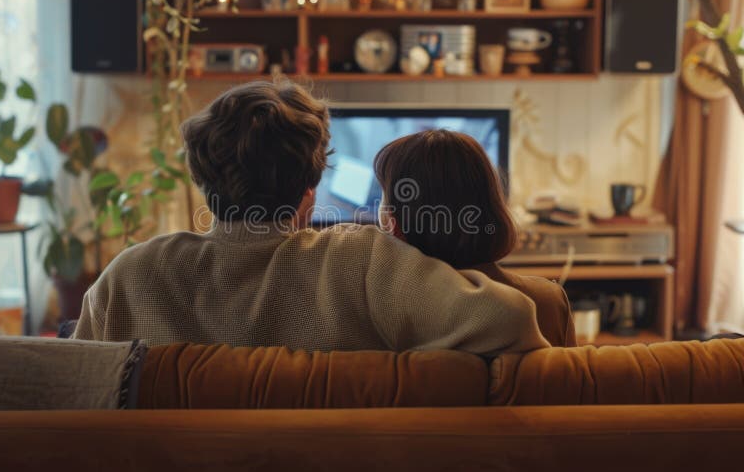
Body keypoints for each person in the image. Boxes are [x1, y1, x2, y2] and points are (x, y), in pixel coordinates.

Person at [73, 80, 550, 354]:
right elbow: (509, 317)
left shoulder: (132, 274)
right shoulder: (360, 260)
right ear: (311, 187)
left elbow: (80, 386)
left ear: (202, 178)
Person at [374, 129, 576, 347]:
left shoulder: (379, 317)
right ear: (493, 205)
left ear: (393, 223)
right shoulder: (547, 303)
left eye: (382, 197)